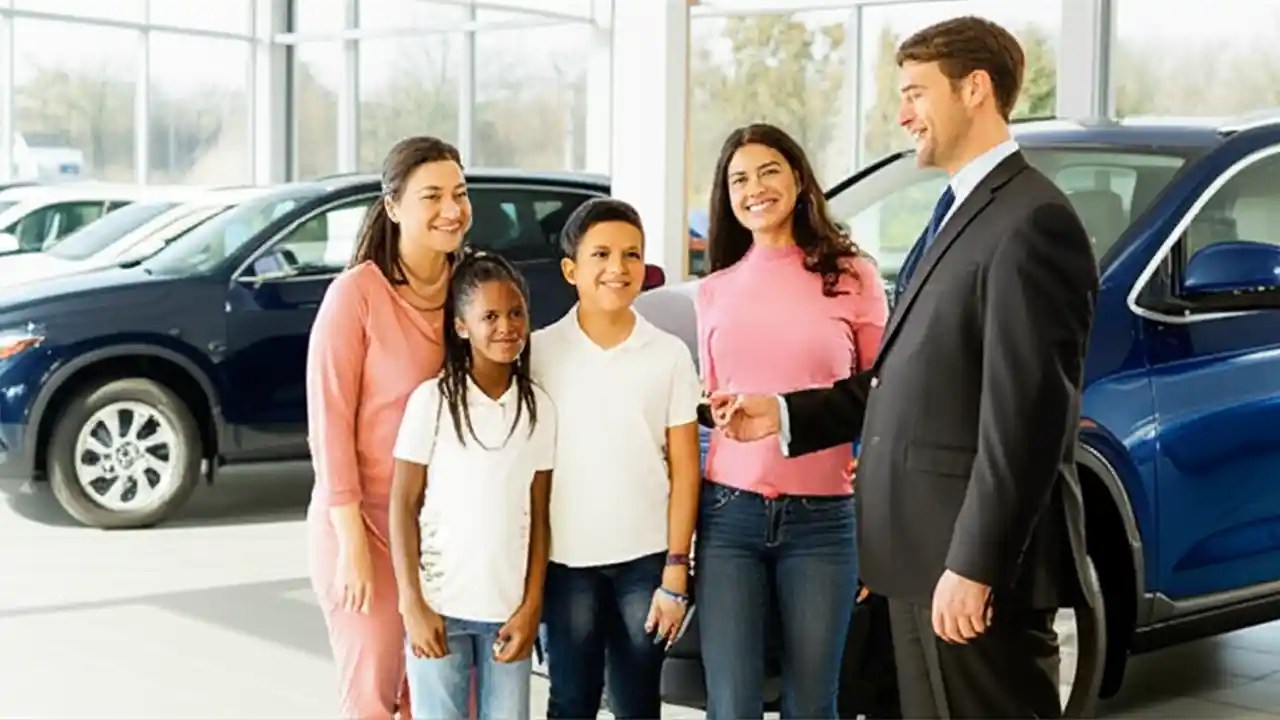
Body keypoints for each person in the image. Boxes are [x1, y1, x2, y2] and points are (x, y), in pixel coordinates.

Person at [713, 16, 1099, 719]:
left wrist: (975, 565)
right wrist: (788, 413)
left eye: (917, 92)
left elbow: (1027, 422)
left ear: (974, 89)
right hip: (920, 560)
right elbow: (905, 380)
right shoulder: (959, 211)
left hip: (968, 569)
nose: (902, 114)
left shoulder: (1031, 222)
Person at [694, 122, 888, 718]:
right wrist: (717, 409)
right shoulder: (715, 290)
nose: (755, 188)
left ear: (799, 179)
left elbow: (884, 393)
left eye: (769, 171)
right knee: (731, 706)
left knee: (812, 704)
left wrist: (877, 509)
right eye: (739, 179)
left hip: (825, 520)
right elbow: (713, 395)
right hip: (730, 519)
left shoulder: (853, 275)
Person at [305, 136, 470, 719]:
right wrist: (349, 539)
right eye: (433, 196)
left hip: (449, 531)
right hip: (365, 524)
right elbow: (328, 425)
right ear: (394, 207)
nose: (452, 208)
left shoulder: (472, 289)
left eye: (459, 192)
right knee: (375, 691)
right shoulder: (356, 295)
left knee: (449, 697)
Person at [531, 198, 702, 718]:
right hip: (566, 564)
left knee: (636, 703)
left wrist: (677, 569)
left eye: (632, 255)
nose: (617, 268)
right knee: (571, 701)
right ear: (571, 269)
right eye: (601, 254)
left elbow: (685, 468)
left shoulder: (668, 353)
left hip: (645, 562)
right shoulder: (538, 352)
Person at [388, 249, 554, 720]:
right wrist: (412, 605)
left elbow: (539, 517)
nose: (506, 326)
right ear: (461, 326)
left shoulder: (540, 408)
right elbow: (403, 504)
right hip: (440, 610)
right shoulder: (431, 402)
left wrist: (530, 608)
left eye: (516, 313)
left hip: (508, 613)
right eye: (490, 316)